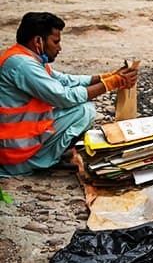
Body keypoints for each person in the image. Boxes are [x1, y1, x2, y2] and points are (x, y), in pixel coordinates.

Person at [0, 12, 138, 176]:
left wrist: (107, 77)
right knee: (83, 110)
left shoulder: (26, 57)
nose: (59, 48)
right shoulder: (23, 64)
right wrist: (111, 83)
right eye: (56, 42)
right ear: (38, 41)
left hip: (18, 143)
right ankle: (42, 160)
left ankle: (50, 154)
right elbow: (64, 97)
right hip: (15, 155)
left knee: (82, 107)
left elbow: (65, 80)